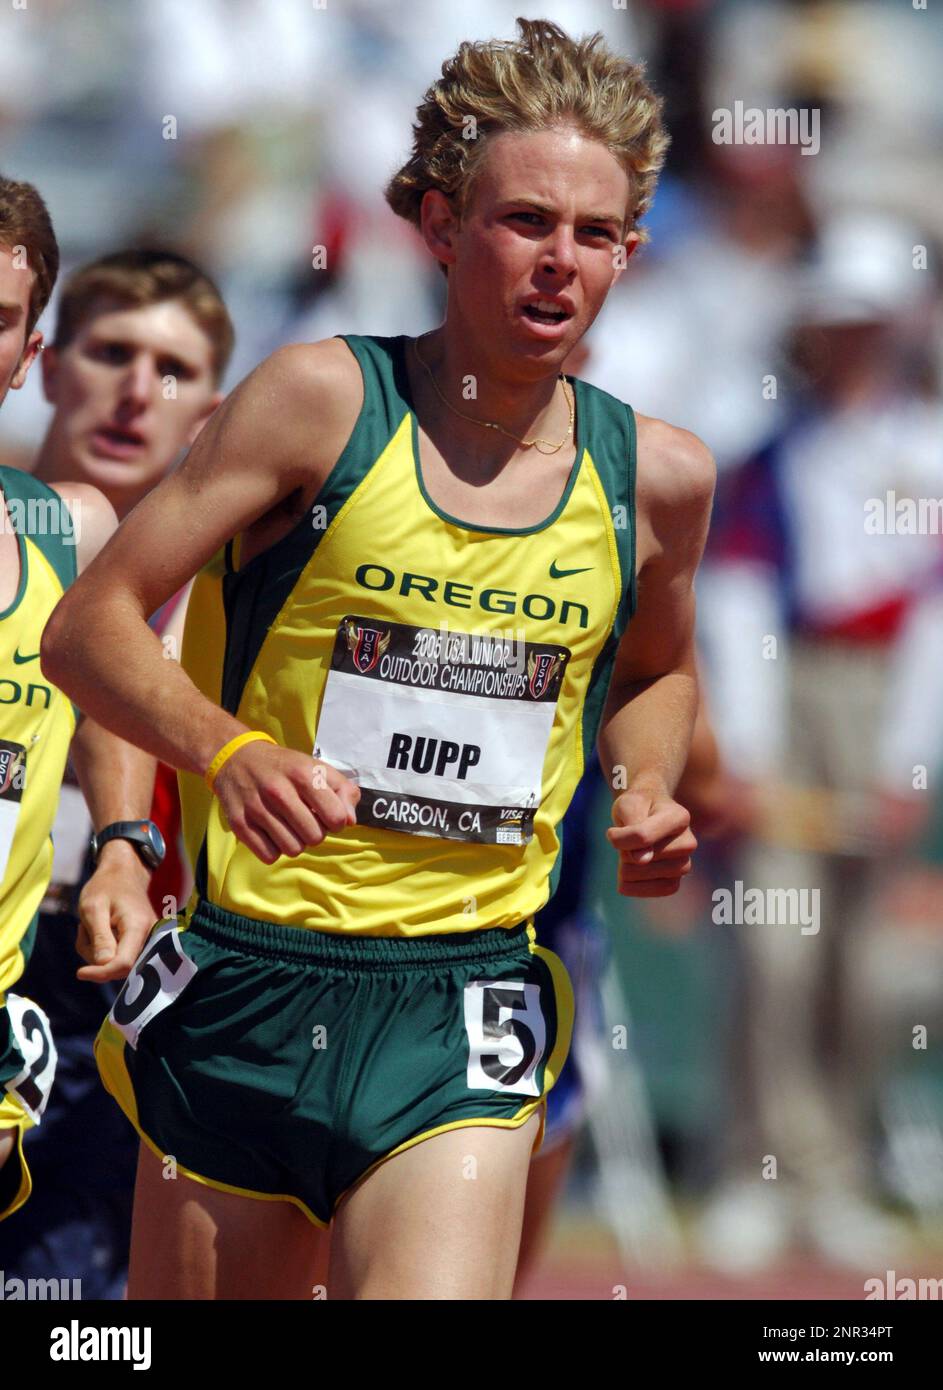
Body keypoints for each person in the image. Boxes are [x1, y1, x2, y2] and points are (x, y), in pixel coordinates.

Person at [42, 19, 713, 1300]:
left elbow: (654, 673)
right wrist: (225, 751)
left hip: (460, 1002)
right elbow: (93, 626)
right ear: (442, 223)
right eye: (523, 222)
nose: (558, 263)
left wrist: (644, 787)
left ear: (630, 251)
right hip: (249, 980)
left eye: (593, 234)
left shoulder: (660, 480)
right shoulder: (319, 403)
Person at [0, 249, 233, 1297]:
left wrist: (127, 848)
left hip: (136, 987)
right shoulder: (31, 526)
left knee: (90, 1291)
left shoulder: (241, 587)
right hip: (29, 940)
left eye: (172, 368)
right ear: (46, 363)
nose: (138, 390)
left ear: (215, 407)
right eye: (111, 352)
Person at [0, 176, 157, 1225]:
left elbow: (111, 700)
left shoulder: (68, 534)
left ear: (29, 355)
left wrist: (118, 844)